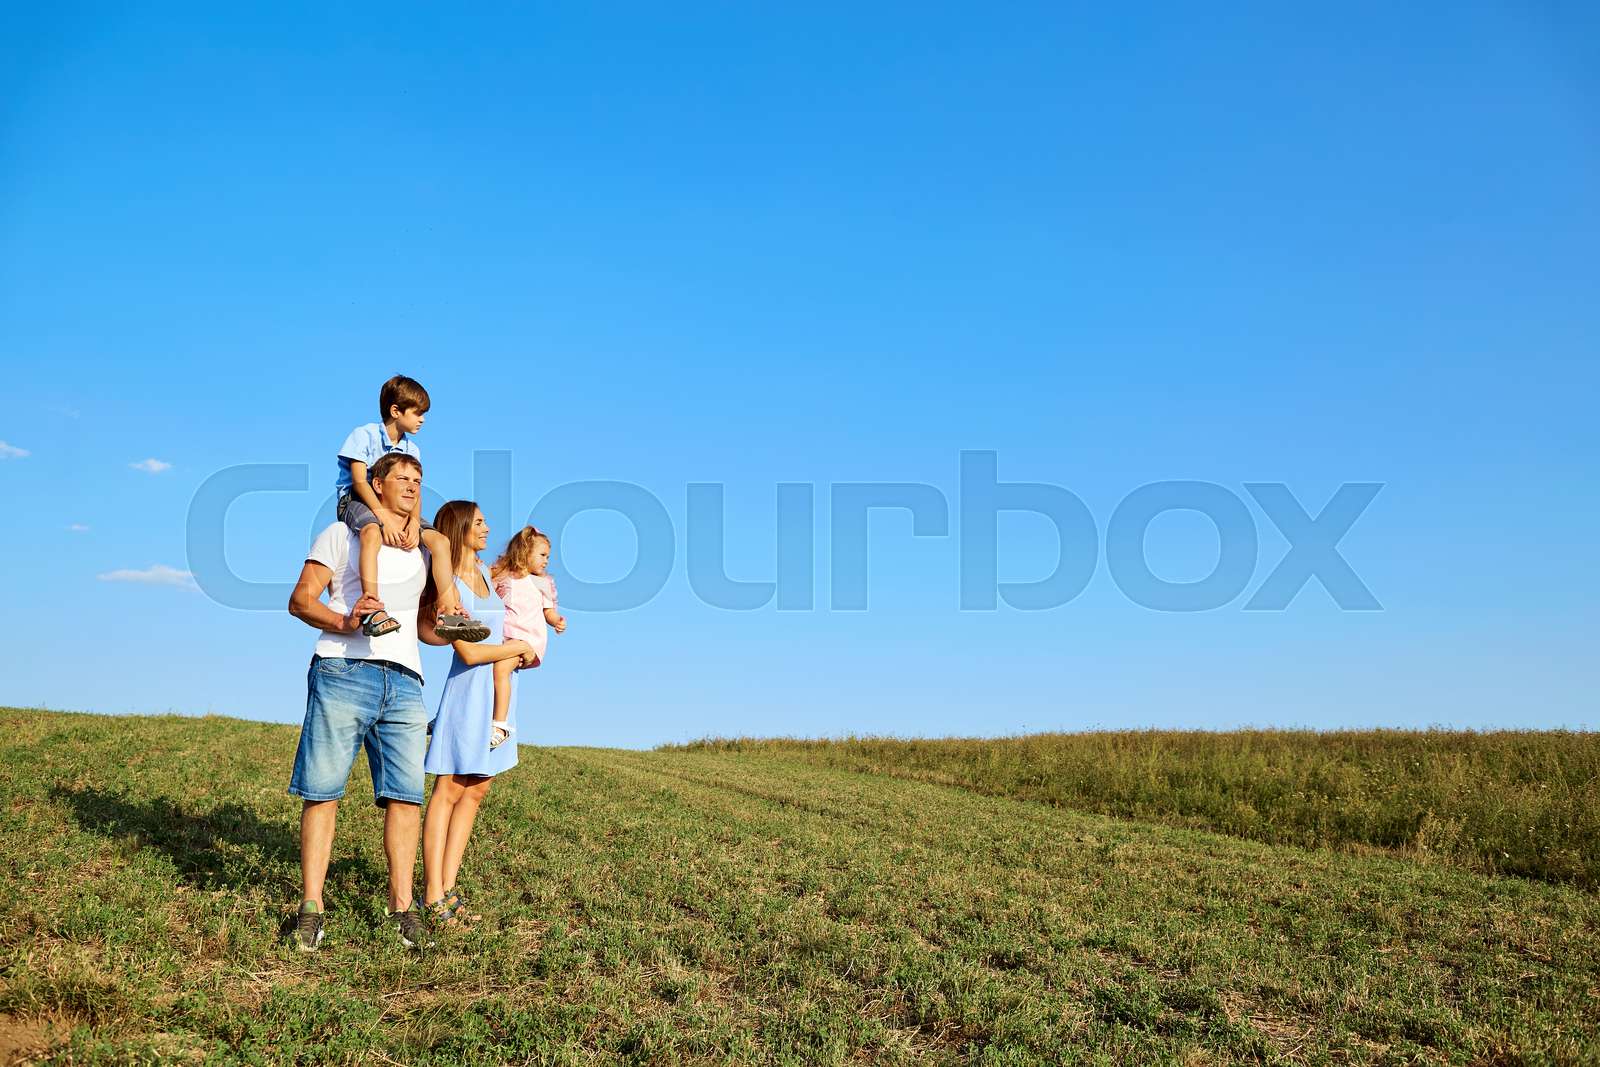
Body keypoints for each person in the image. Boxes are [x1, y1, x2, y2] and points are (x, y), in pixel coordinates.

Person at [285, 451, 452, 952]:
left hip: (405, 680)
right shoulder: (342, 535)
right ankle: (311, 908)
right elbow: (301, 599)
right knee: (324, 790)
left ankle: (401, 910)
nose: (411, 485)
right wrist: (343, 622)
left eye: (418, 479)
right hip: (342, 670)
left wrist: (459, 636)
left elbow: (423, 627)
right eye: (400, 478)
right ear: (374, 485)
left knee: (406, 796)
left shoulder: (423, 551)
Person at [421, 501, 538, 929]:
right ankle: (432, 894)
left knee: (476, 789)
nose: (488, 528)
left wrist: (520, 649)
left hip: (497, 689)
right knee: (449, 788)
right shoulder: (449, 581)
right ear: (460, 527)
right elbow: (468, 651)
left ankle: (448, 890)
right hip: (468, 691)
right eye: (480, 522)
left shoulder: (488, 575)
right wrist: (519, 649)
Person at [336, 374, 488, 642]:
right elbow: (360, 482)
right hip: (358, 500)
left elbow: (415, 492)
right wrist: (383, 517)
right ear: (396, 411)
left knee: (439, 542)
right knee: (371, 532)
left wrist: (413, 523)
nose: (423, 419)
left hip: (399, 508)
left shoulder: (412, 449)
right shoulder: (364, 435)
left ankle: (448, 610)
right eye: (417, 412)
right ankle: (372, 607)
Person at [488, 526, 566, 748]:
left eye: (548, 557)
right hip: (503, 638)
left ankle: (500, 725)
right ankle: (453, 716)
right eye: (542, 555)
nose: (546, 561)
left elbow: (548, 611)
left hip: (526, 640)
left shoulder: (543, 582)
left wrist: (557, 621)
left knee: (501, 670)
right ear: (523, 552)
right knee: (481, 673)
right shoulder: (503, 576)